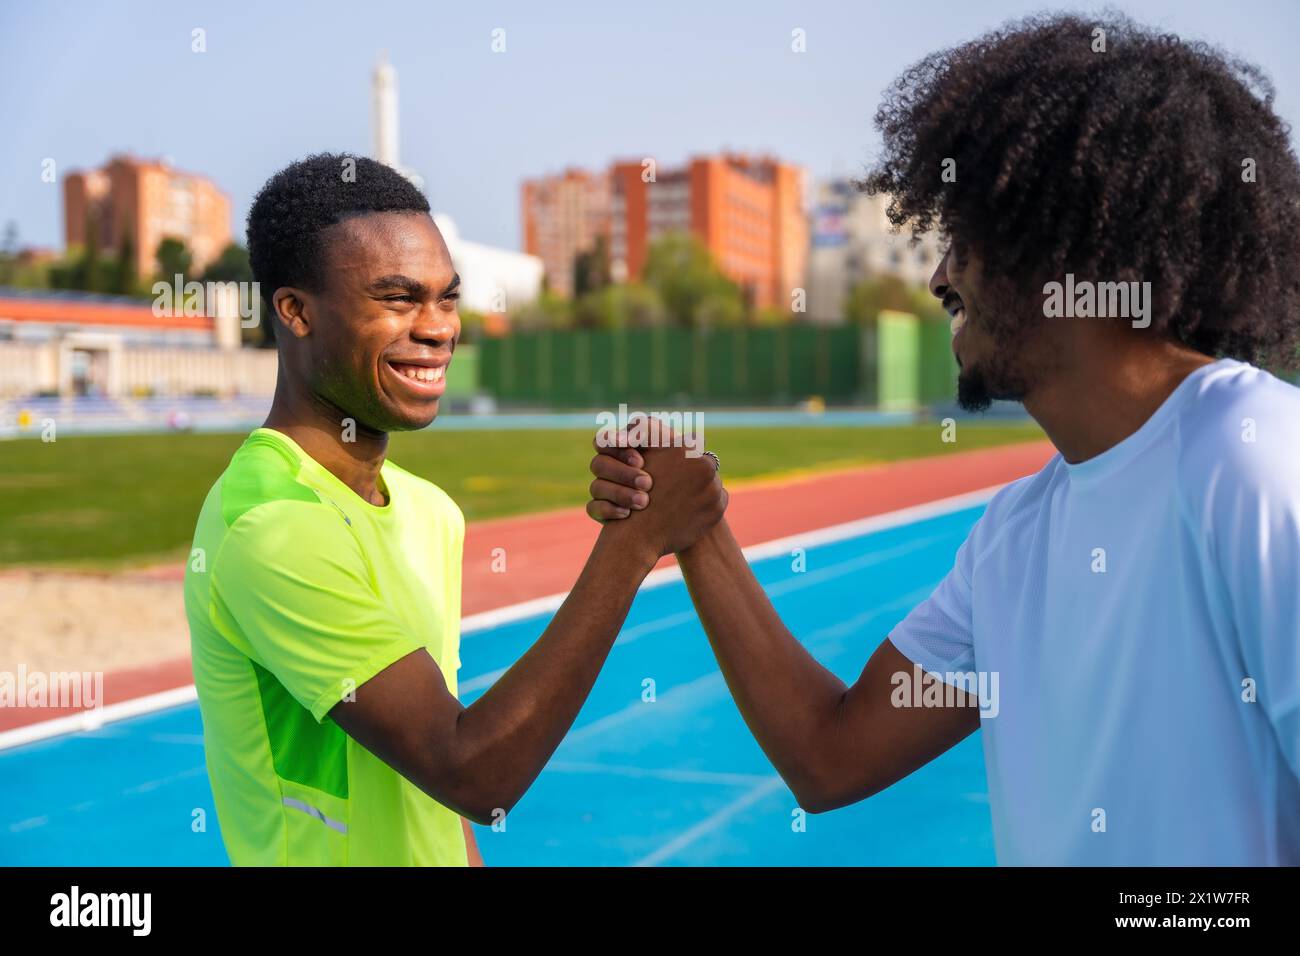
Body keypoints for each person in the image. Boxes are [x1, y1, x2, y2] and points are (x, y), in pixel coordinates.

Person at [588, 14, 1300, 864]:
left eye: (962, 241)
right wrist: (696, 526)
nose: (935, 276)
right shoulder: (1013, 536)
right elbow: (830, 753)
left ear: (1068, 238)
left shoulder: (1253, 456)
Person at [184, 154, 726, 866]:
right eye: (397, 298)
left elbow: (434, 777)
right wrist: (636, 542)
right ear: (295, 311)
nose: (438, 328)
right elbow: (474, 771)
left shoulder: (427, 511)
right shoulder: (271, 527)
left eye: (447, 297)